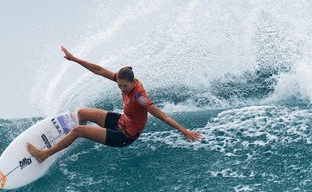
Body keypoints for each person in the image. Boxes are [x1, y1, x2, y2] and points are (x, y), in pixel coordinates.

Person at [27, 46, 203, 162]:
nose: (122, 89)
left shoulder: (140, 97)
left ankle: (44, 154)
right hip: (121, 121)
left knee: (79, 130)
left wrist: (185, 131)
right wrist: (74, 59)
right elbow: (99, 70)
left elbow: (162, 116)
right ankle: (73, 138)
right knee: (81, 113)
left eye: (125, 86)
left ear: (133, 82)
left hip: (124, 136)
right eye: (119, 86)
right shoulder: (123, 80)